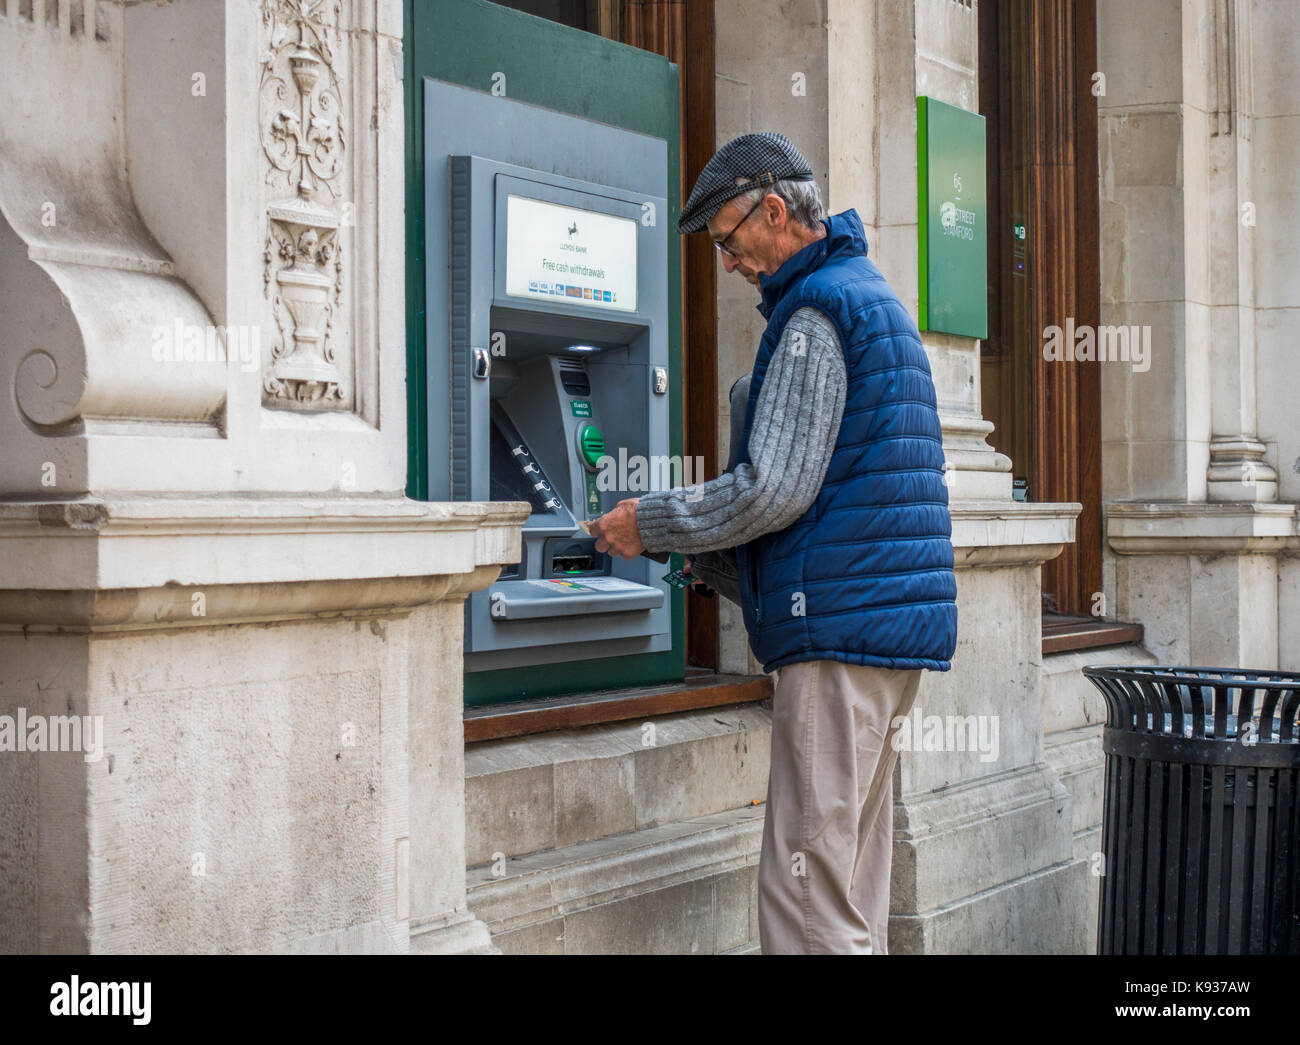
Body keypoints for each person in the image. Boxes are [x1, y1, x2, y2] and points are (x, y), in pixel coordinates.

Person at [588, 132, 957, 954]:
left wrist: (647, 521)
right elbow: (823, 500)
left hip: (836, 644)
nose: (726, 264)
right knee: (847, 894)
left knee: (805, 910)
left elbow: (773, 490)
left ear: (776, 210)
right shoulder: (870, 296)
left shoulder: (814, 313)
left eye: (726, 240)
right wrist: (686, 550)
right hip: (878, 641)